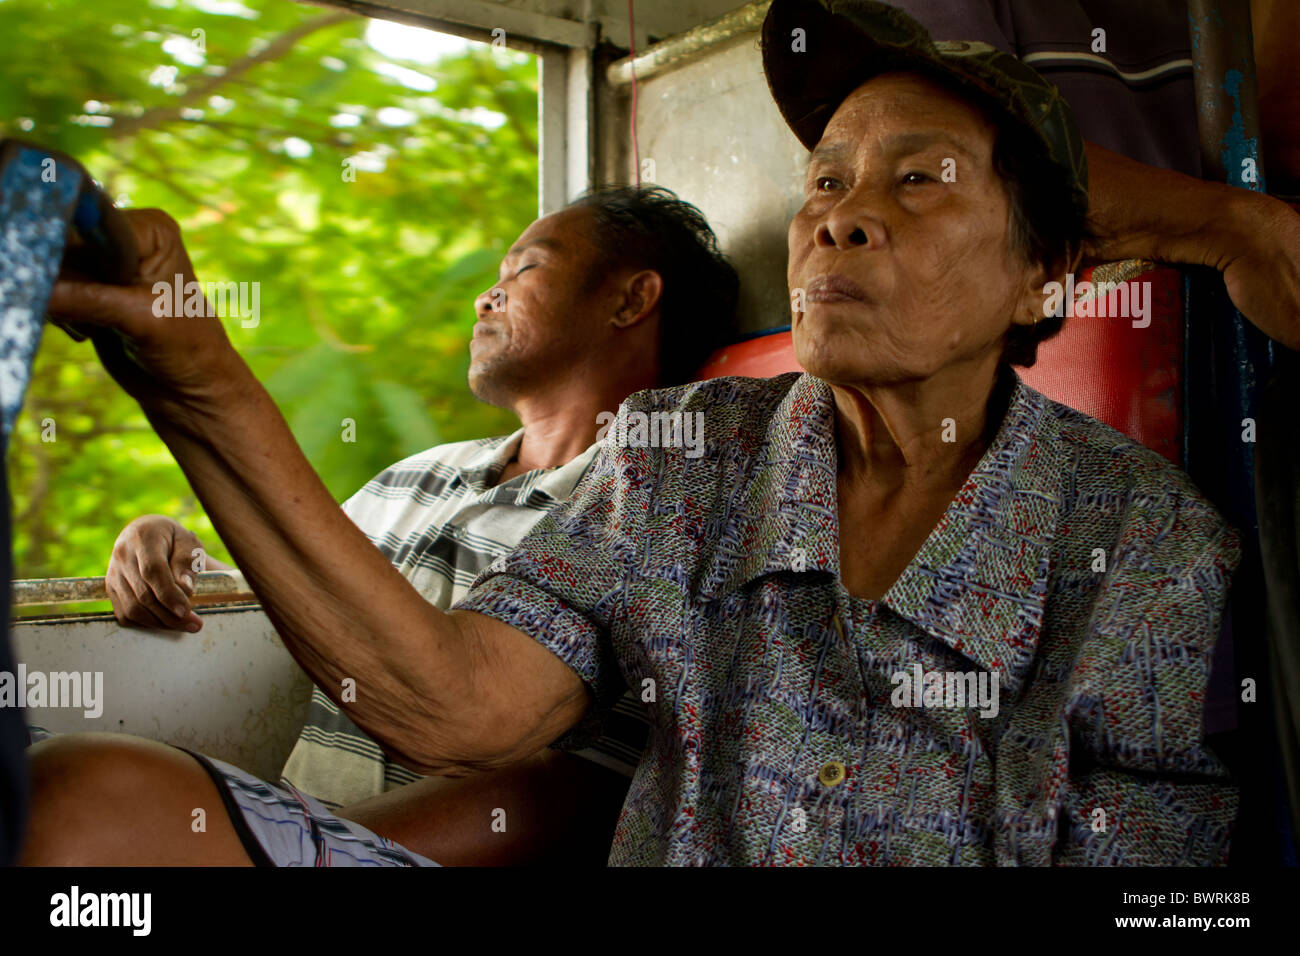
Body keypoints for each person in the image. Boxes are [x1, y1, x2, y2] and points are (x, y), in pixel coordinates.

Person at [24, 0, 1297, 865]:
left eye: (918, 181)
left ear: (1042, 281)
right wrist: (200, 382)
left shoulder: (1143, 548)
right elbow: (450, 703)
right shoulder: (679, 456)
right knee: (81, 807)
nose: (841, 219)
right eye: (826, 182)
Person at [21, 185, 739, 866]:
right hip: (309, 829)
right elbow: (312, 599)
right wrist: (171, 549)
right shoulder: (419, 475)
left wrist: (314, 846)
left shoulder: (655, 500)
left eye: (525, 268)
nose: (487, 294)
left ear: (631, 298)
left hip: (373, 848)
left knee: (87, 795)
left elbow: (580, 790)